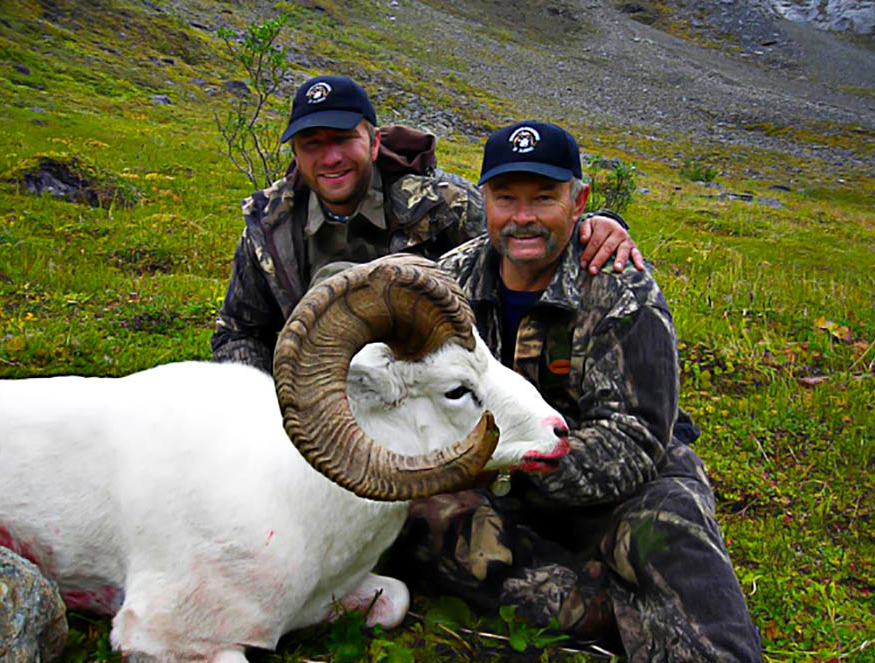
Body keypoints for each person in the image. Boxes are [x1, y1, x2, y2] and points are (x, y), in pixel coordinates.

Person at [386, 121, 762, 663]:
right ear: (483, 198)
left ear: (579, 199)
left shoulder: (620, 285)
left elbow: (637, 438)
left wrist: (521, 461)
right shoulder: (450, 283)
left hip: (616, 488)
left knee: (672, 535)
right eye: (506, 198)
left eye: (544, 198)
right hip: (491, 476)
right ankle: (605, 606)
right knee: (414, 518)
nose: (522, 218)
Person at [211, 75, 642, 373]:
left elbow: (521, 233)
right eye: (312, 144)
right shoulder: (269, 225)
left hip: (424, 395)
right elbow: (239, 330)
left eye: (343, 139)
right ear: (296, 154)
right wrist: (270, 405)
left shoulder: (440, 206)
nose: (330, 157)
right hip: (311, 398)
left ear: (375, 141)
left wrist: (600, 223)